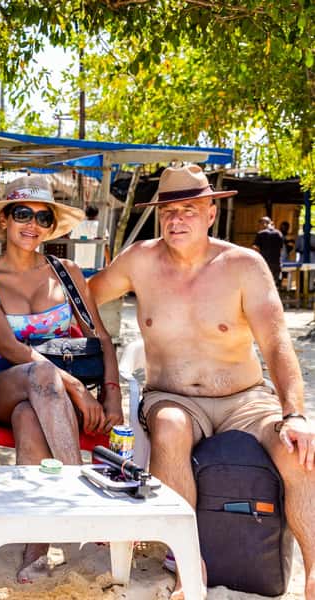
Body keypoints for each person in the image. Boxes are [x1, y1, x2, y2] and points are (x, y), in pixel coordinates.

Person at [89, 164, 315, 600]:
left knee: (299, 449)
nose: (177, 219)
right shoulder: (140, 260)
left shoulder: (243, 265)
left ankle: (312, 572)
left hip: (245, 399)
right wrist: (96, 344)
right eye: (169, 210)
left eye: (189, 210)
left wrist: (296, 414)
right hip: (172, 397)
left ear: (211, 213)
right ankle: (188, 563)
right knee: (170, 427)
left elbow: (277, 345)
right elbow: (82, 296)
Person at [0, 174, 122, 583]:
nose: (32, 224)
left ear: (52, 227)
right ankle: (80, 500)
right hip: (1, 380)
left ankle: (35, 542)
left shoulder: (67, 272)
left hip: (51, 391)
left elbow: (100, 336)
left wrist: (112, 393)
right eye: (23, 213)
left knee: (30, 418)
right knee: (37, 374)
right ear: (4, 219)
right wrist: (74, 388)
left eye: (43, 218)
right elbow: (11, 348)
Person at [253, 216, 284, 287]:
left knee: (263, 284)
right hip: (276, 263)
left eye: (260, 224)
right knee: (274, 284)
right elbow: (281, 248)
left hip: (264, 263)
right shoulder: (279, 233)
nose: (260, 226)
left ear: (264, 224)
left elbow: (255, 248)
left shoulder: (260, 233)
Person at [71, 204, 103, 269]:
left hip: (79, 264)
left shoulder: (78, 225)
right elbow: (106, 246)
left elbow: (71, 239)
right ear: (97, 214)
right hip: (95, 264)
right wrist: (108, 261)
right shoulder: (100, 227)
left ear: (85, 214)